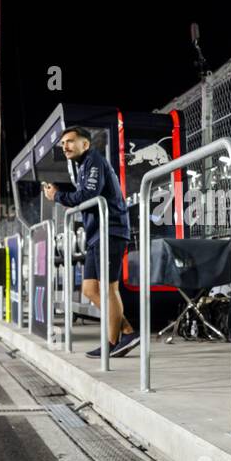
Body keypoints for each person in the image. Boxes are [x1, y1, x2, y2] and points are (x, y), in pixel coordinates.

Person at [42, 126, 139, 358]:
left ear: (85, 144)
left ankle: (112, 343)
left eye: (70, 141)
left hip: (111, 230)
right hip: (97, 234)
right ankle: (127, 332)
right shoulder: (83, 165)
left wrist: (57, 196)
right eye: (63, 142)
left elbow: (88, 194)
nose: (65, 146)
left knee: (108, 288)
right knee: (89, 289)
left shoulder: (94, 160)